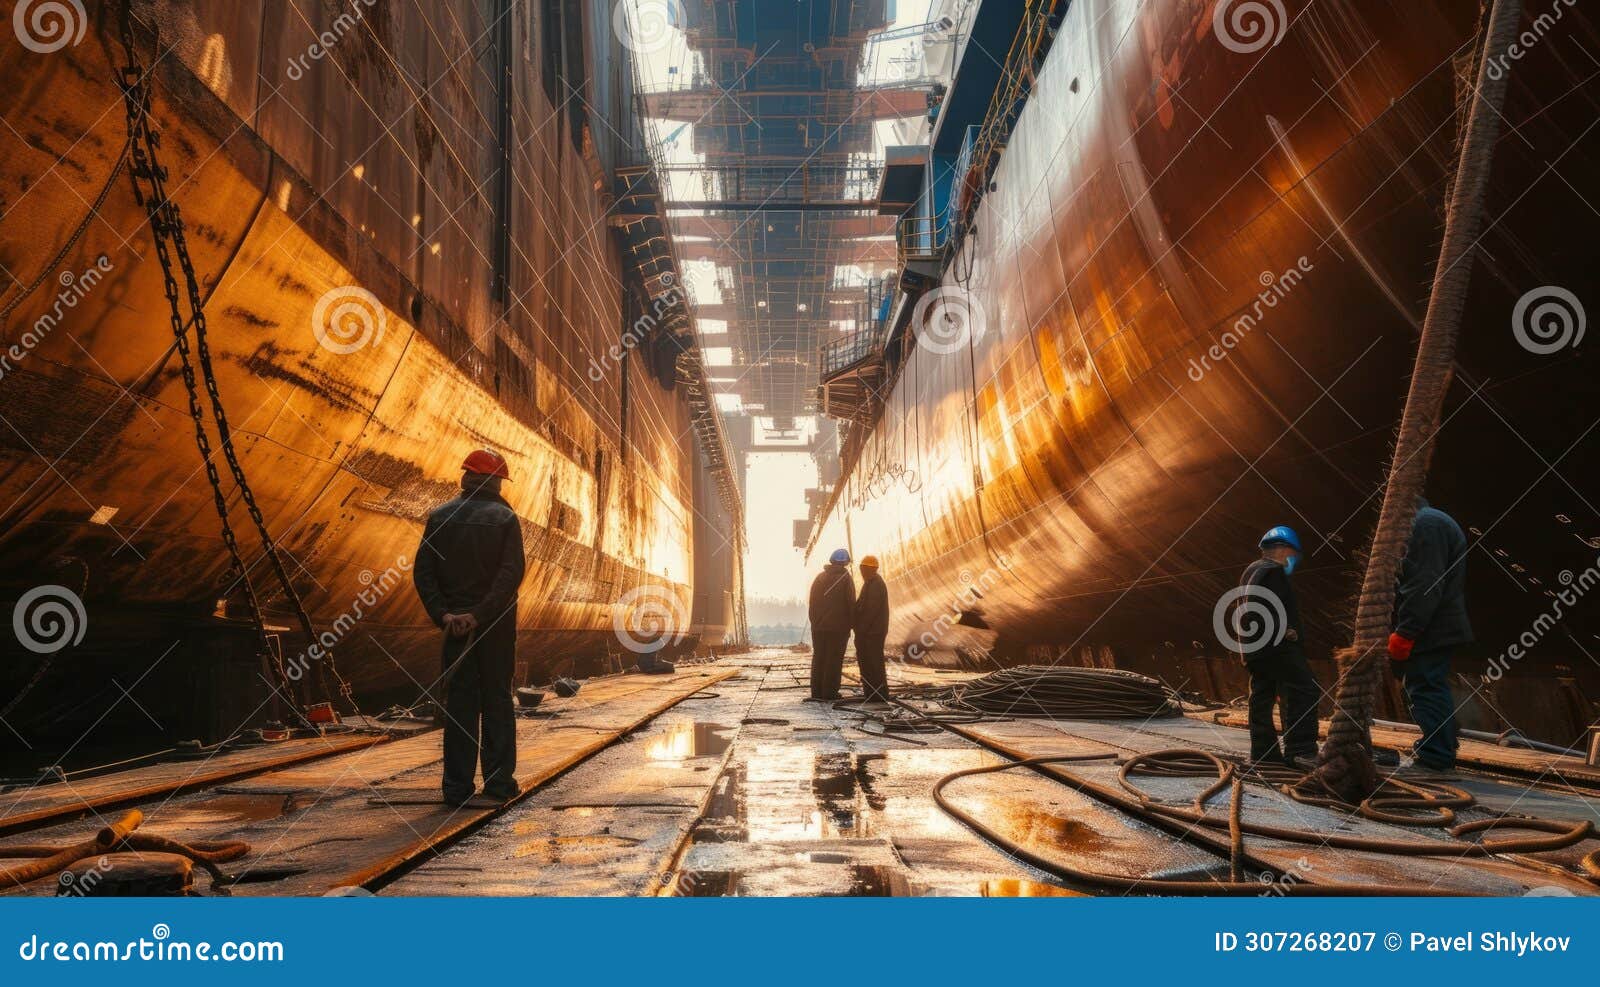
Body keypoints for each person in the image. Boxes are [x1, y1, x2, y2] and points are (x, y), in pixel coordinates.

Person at [413, 449, 527, 807]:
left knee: (460, 703)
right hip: (493, 628)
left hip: (455, 629)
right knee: (496, 699)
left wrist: (444, 615)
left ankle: (456, 789)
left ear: (466, 477)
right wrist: (481, 614)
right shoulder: (505, 519)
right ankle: (498, 785)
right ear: (495, 481)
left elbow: (424, 573)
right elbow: (509, 576)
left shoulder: (439, 517)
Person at [1388, 499, 1472, 772]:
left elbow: (1424, 584)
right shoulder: (1433, 520)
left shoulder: (1424, 525)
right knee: (1429, 683)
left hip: (1431, 627)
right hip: (1436, 624)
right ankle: (1443, 744)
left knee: (1425, 684)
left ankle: (1436, 756)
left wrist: (1406, 631)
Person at [1236, 525, 1319, 768]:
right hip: (1278, 647)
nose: (1295, 559)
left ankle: (1264, 754)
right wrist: (1283, 631)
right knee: (1304, 689)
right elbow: (1257, 607)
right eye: (1294, 553)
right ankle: (1301, 750)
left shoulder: (1251, 570)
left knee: (1262, 696)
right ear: (1284, 549)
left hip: (1254, 650)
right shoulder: (1273, 572)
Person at [808, 548, 856, 700]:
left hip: (818, 628)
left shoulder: (819, 578)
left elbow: (812, 604)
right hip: (838, 629)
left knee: (819, 658)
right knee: (834, 660)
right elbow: (851, 604)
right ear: (845, 563)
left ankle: (816, 692)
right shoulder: (846, 578)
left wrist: (815, 623)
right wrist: (852, 625)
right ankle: (829, 693)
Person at [853, 555, 891, 704]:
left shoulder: (875, 585)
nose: (861, 572)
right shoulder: (870, 583)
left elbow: (870, 611)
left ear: (870, 569)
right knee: (868, 663)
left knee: (873, 664)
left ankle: (877, 694)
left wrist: (859, 630)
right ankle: (871, 693)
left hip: (872, 633)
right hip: (868, 632)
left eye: (863, 569)